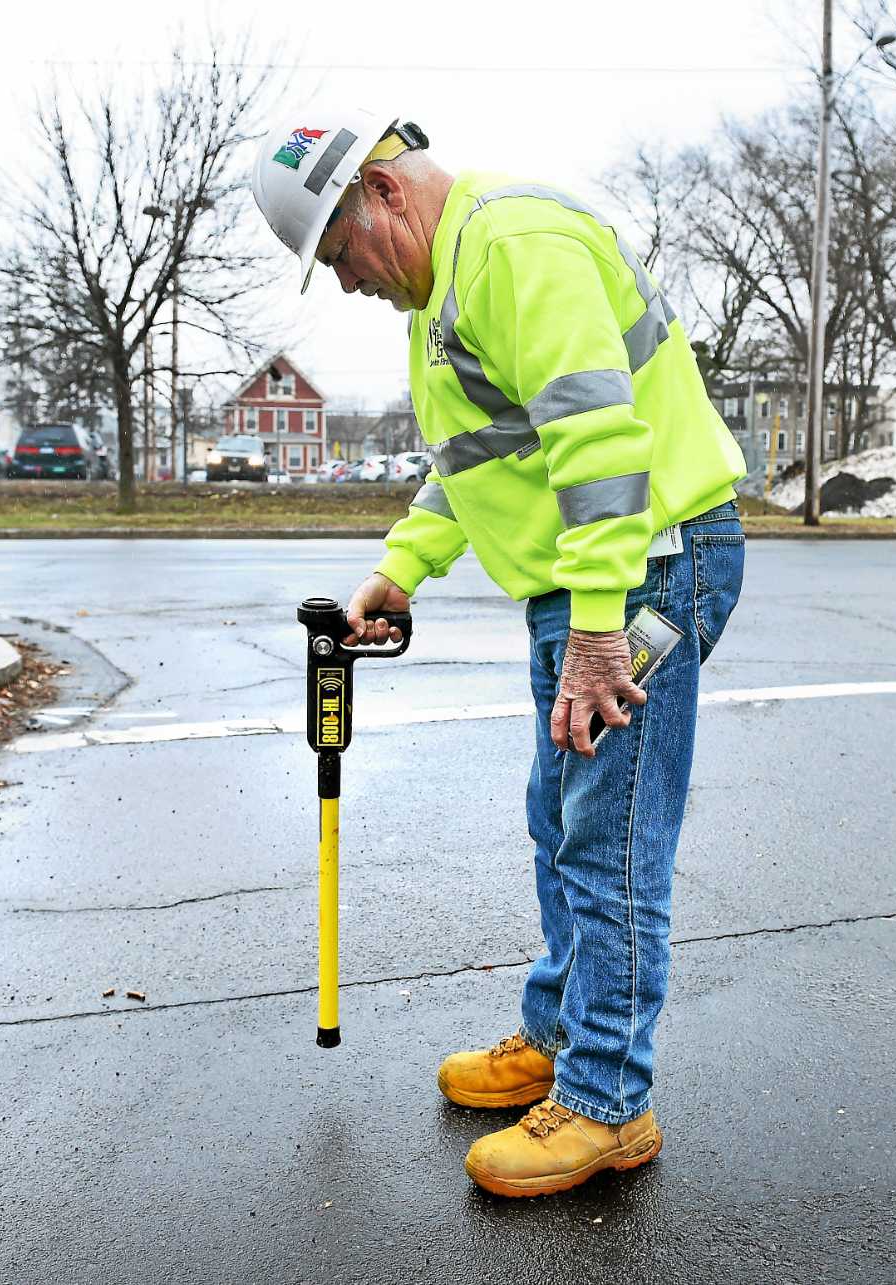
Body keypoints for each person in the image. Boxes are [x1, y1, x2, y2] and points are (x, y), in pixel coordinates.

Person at [250, 108, 747, 1198]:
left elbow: (600, 443)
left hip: (645, 568)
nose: (344, 283)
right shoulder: (450, 289)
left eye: (338, 255)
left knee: (606, 834)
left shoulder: (515, 248)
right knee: (558, 814)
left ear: (382, 191)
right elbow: (477, 460)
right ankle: (563, 1035)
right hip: (590, 579)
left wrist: (599, 628)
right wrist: (404, 565)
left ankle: (608, 1100)